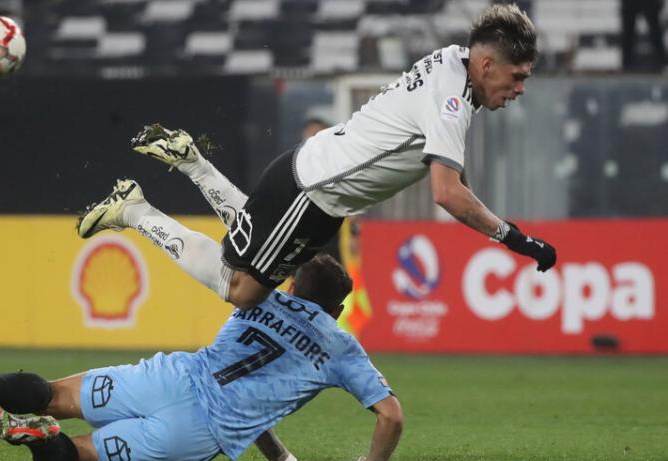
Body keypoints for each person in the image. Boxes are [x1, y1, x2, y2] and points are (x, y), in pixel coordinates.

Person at [77, 4, 557, 311]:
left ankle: (191, 162)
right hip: (311, 193)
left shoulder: (454, 64)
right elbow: (446, 193)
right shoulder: (452, 99)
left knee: (252, 244)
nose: (518, 89)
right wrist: (512, 238)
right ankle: (134, 209)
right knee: (241, 289)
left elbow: (448, 168)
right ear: (487, 64)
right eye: (517, 77)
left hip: (317, 189)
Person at [0, 254, 403, 461]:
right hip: (197, 432)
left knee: (56, 395)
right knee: (78, 454)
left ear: (292, 287)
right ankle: (39, 438)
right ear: (336, 310)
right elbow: (391, 416)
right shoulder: (339, 345)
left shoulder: (260, 298)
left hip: (169, 378)